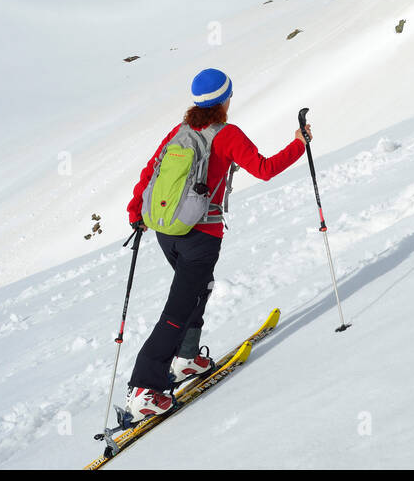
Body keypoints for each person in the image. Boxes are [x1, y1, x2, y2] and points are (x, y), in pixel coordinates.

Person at [123, 68, 310, 422]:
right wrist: (299, 144)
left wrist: (137, 213)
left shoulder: (179, 132)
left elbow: (150, 172)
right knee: (177, 311)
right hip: (201, 236)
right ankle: (144, 389)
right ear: (225, 100)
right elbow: (265, 168)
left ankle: (187, 358)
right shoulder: (226, 135)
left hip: (168, 234)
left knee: (198, 289)